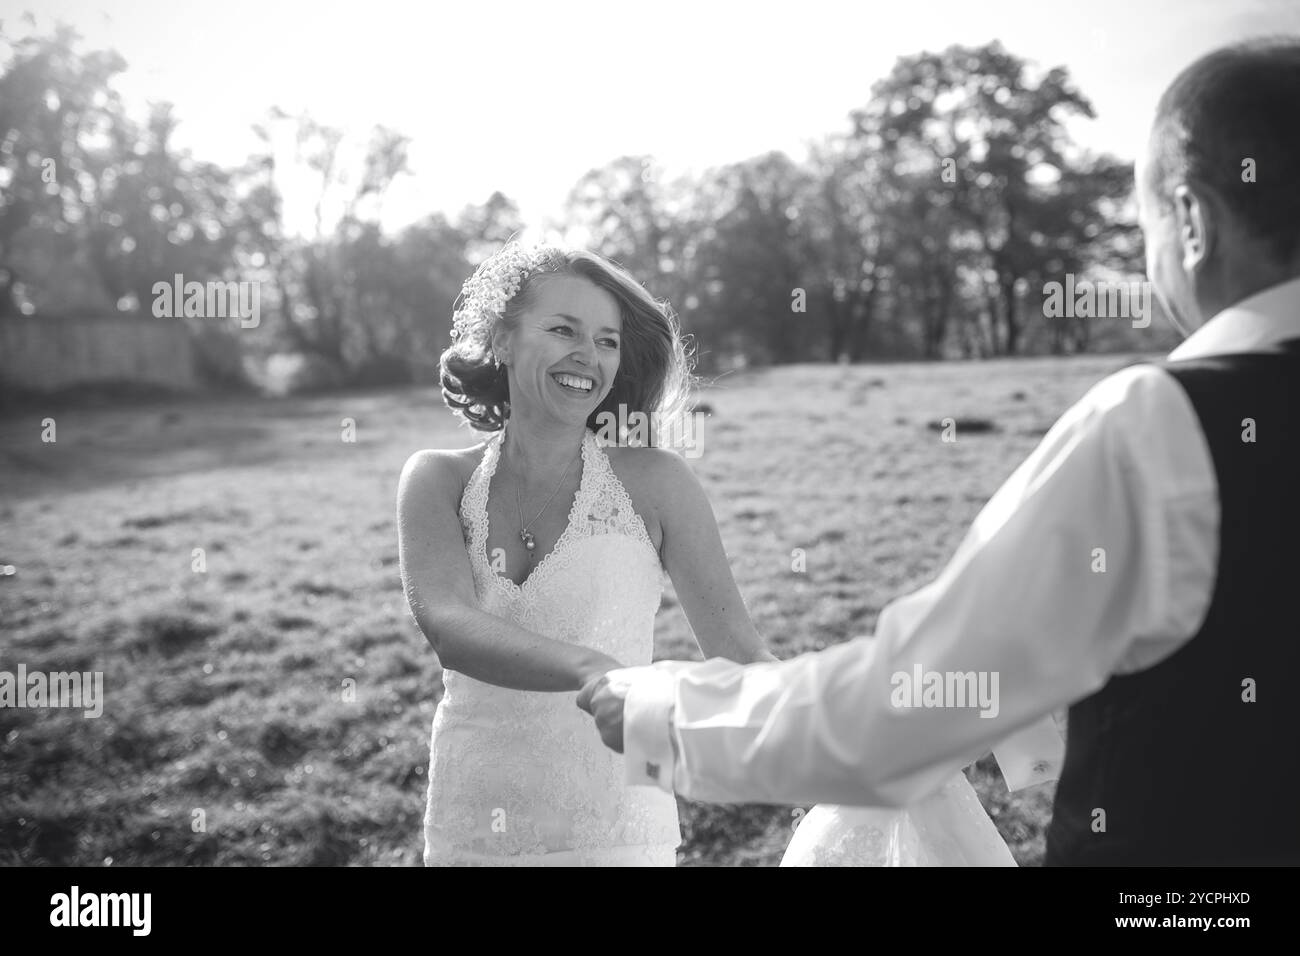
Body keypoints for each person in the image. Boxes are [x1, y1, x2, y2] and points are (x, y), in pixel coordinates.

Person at [579, 37, 1300, 866]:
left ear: (1193, 221)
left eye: (1145, 229)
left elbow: (910, 705)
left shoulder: (1162, 426)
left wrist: (667, 714)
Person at [397, 243, 774, 865]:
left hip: (618, 830)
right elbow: (448, 625)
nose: (588, 356)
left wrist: (843, 713)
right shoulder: (437, 479)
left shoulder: (657, 482)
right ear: (502, 339)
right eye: (562, 330)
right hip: (472, 822)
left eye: (606, 340)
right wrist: (591, 668)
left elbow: (739, 650)